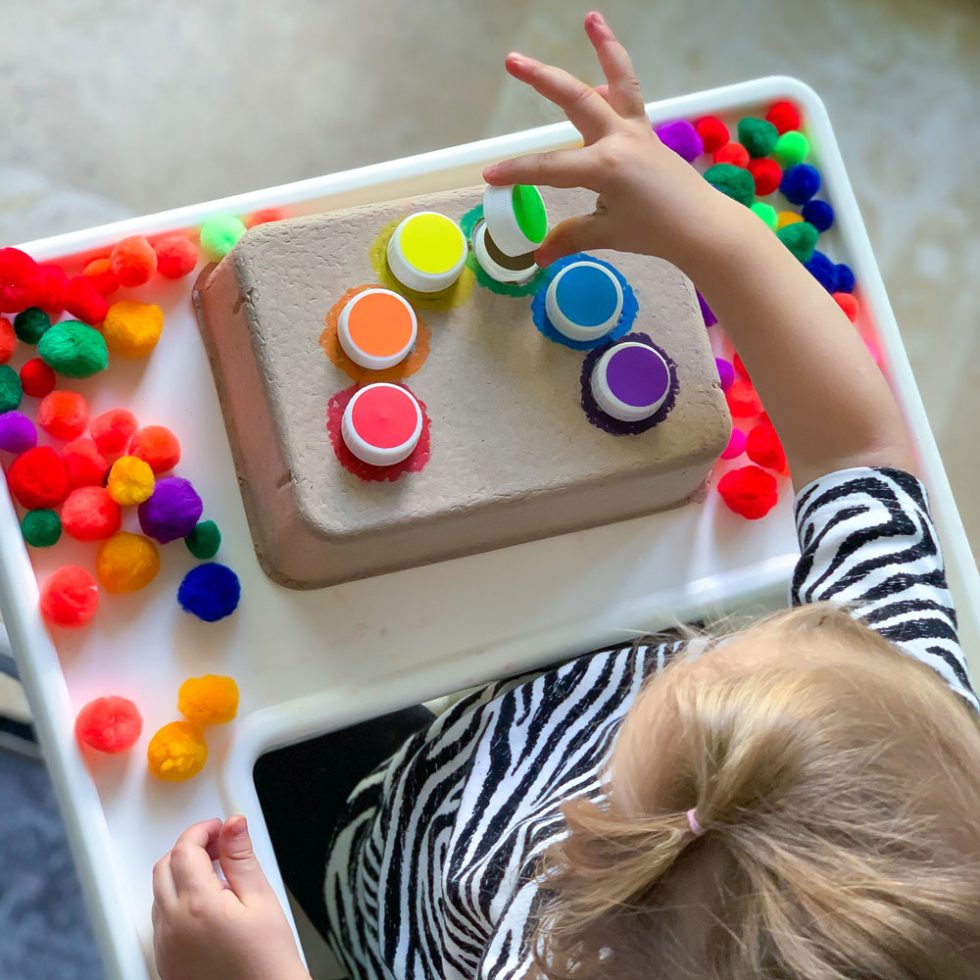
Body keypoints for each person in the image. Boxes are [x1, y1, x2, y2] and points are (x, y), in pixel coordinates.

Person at [151, 12, 980, 979]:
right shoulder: (909, 743)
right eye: (711, 661)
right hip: (535, 712)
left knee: (253, 792)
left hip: (388, 863)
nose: (693, 655)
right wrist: (707, 227)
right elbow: (859, 446)